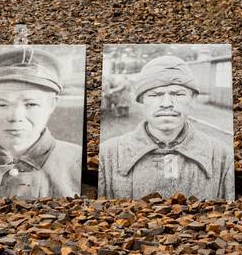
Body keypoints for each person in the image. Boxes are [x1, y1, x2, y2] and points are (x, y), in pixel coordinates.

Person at [0, 47, 82, 199]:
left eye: (31, 104)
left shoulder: (79, 166)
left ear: (52, 105)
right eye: (2, 104)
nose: (16, 116)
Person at [99, 54, 233, 200]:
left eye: (177, 93)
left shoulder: (223, 157)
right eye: (155, 94)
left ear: (192, 99)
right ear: (142, 100)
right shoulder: (107, 156)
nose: (167, 103)